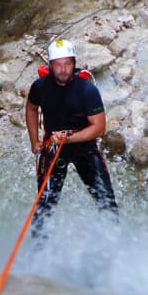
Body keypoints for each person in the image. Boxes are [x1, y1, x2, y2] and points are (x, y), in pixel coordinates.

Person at [25, 39, 118, 237]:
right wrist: (34, 141)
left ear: (74, 63)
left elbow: (99, 128)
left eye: (67, 64)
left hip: (84, 146)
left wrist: (68, 139)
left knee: (105, 198)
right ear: (50, 65)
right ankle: (38, 247)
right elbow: (31, 108)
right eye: (58, 65)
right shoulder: (40, 87)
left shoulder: (87, 91)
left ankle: (113, 240)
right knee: (45, 202)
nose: (63, 70)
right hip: (53, 146)